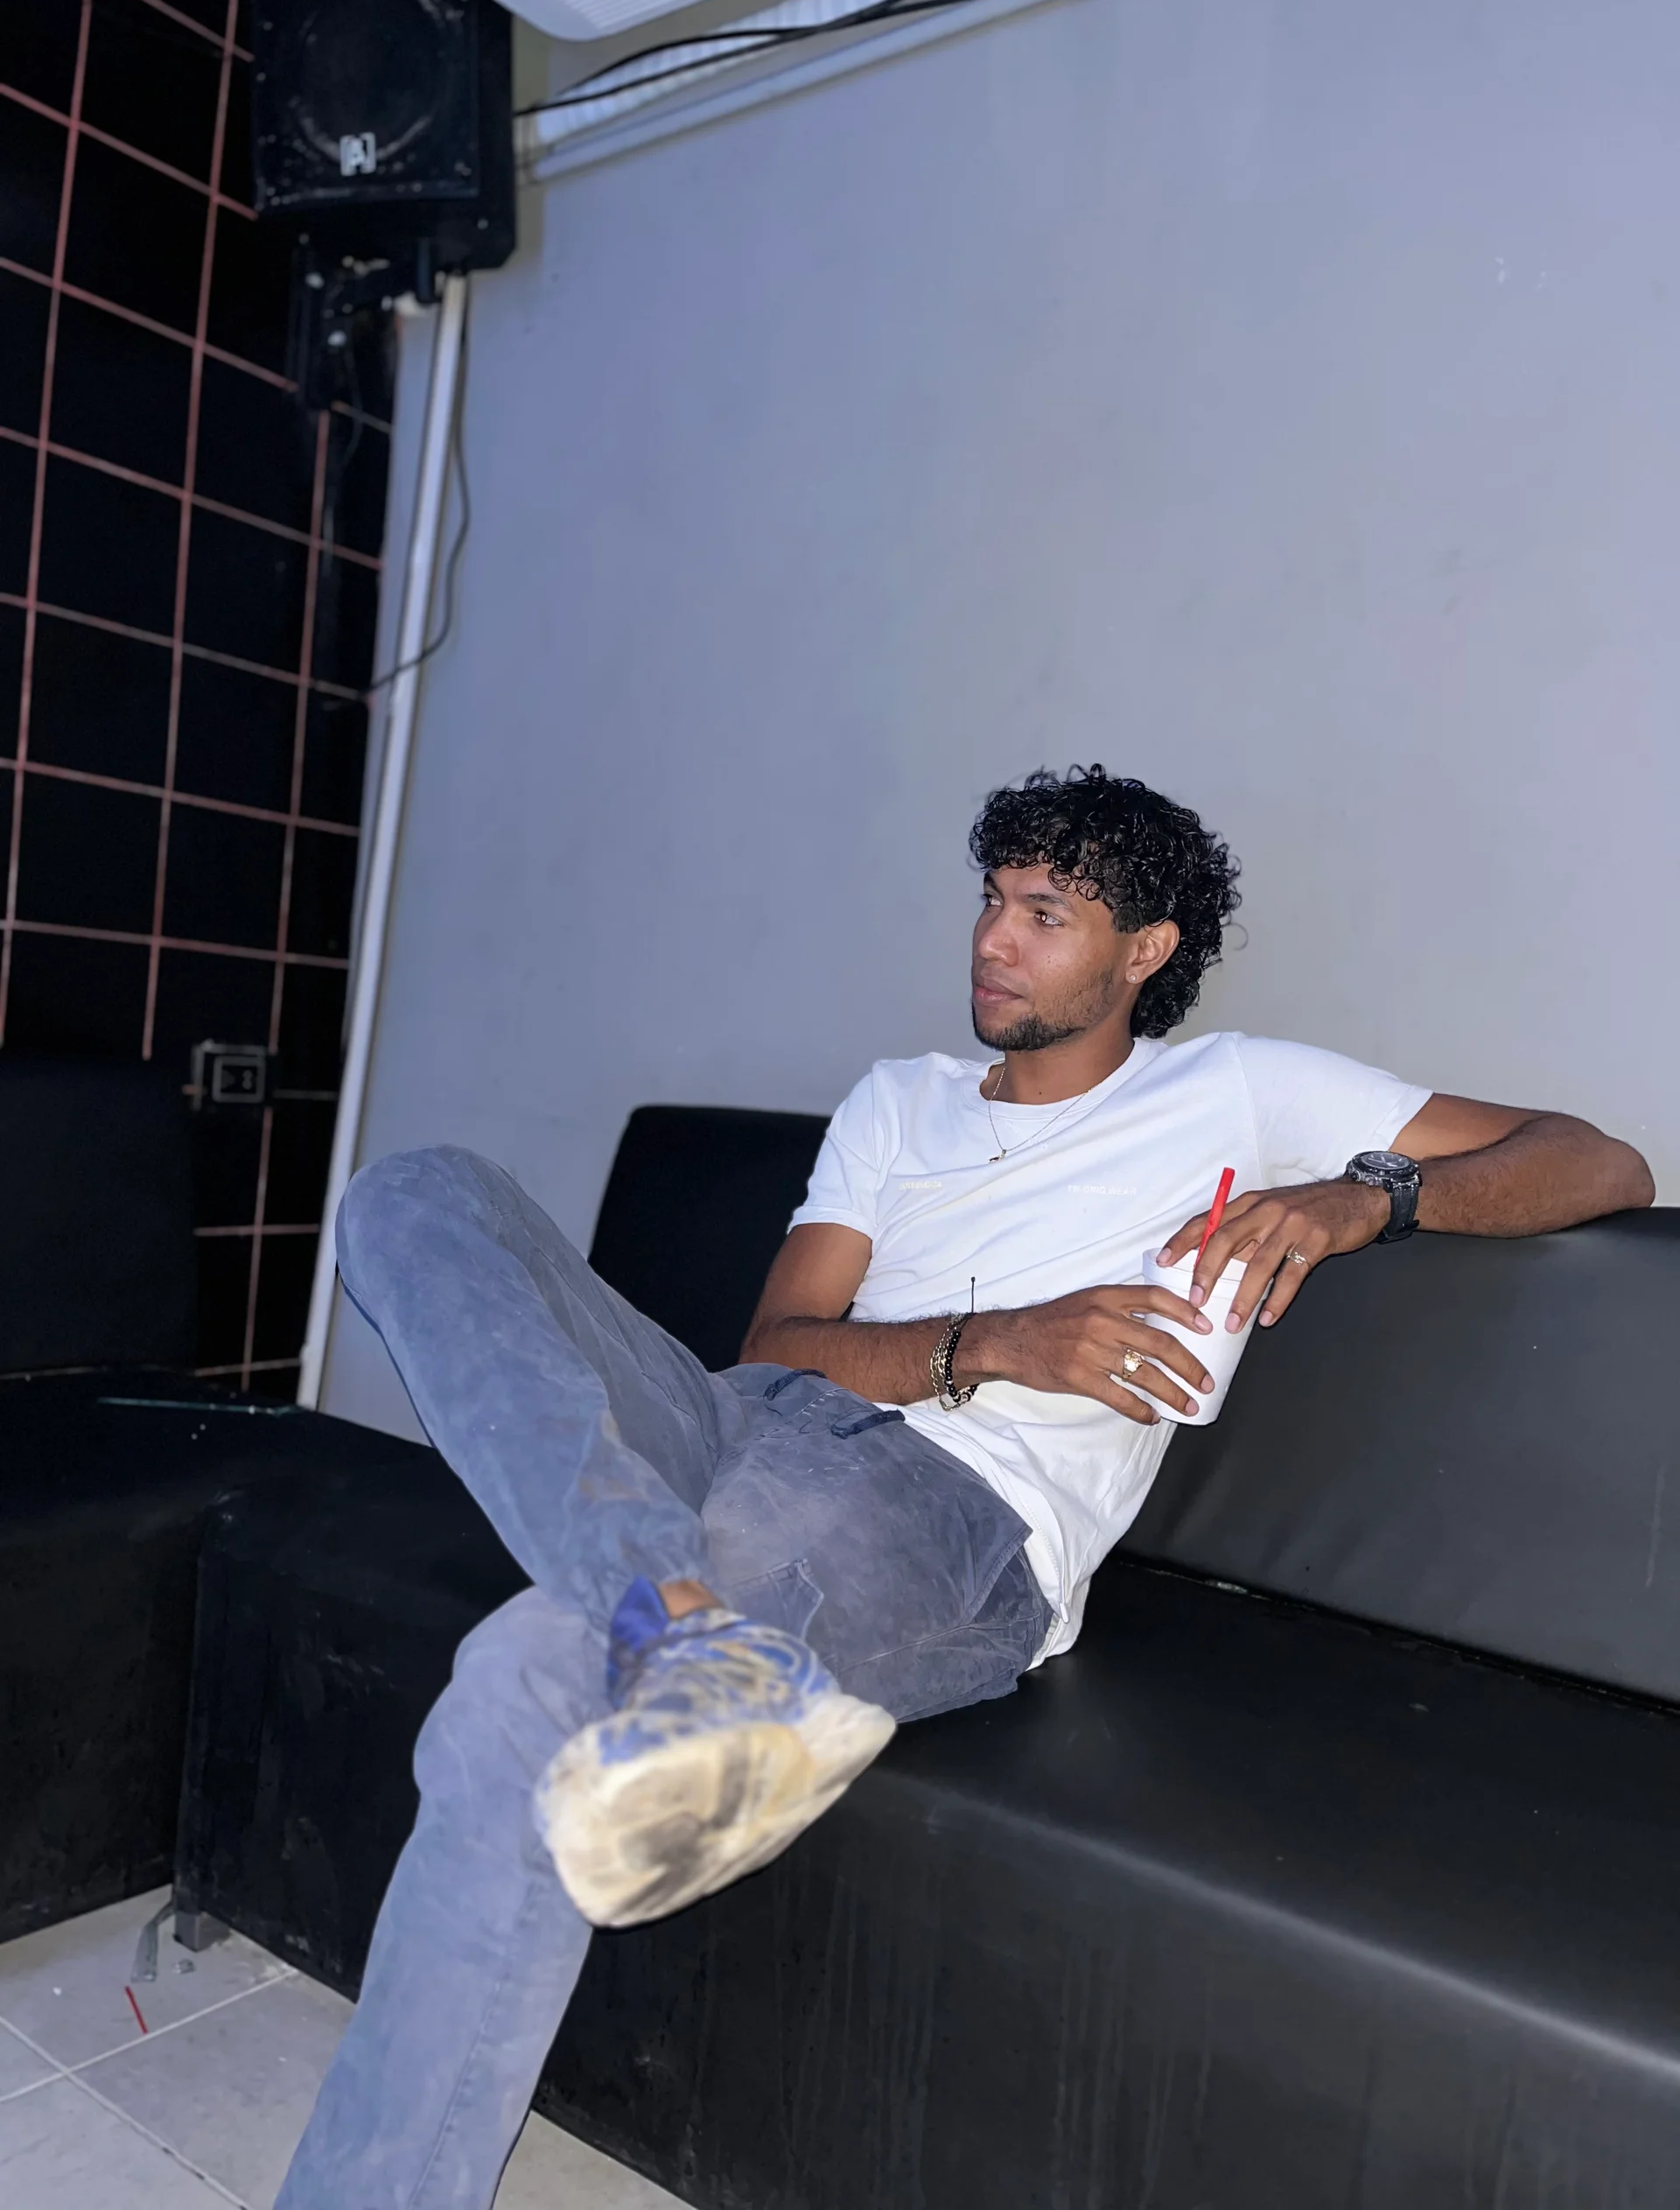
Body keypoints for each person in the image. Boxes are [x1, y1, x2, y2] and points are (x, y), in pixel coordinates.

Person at [276, 765, 1652, 2209]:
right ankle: (679, 1626)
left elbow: (1600, 1160)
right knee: (413, 1195)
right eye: (993, 900)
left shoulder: (1240, 1090)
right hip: (737, 1420)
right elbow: (778, 1343)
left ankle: (654, 1636)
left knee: (530, 1677)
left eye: (1045, 914)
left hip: (953, 1516)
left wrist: (1368, 1196)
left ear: (1145, 950)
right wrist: (993, 1341)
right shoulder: (899, 1101)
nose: (993, 939)